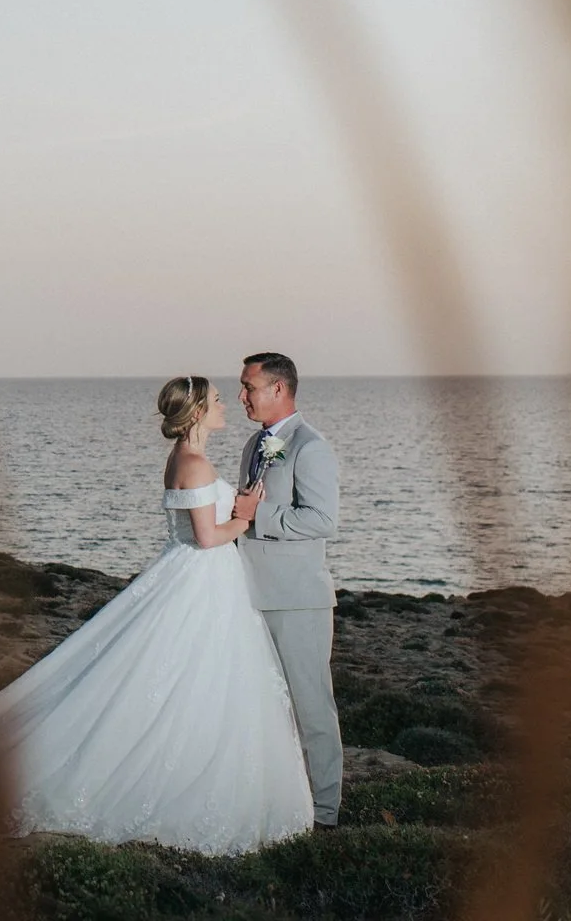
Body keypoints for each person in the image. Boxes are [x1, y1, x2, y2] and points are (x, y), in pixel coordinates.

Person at [0, 375, 312, 854]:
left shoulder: (187, 460)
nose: (225, 405)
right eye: (216, 400)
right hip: (201, 579)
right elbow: (209, 537)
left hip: (200, 580)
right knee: (185, 676)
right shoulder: (192, 463)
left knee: (192, 678)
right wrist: (248, 513)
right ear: (195, 413)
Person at [230, 350, 344, 829]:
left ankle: (325, 814)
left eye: (248, 387)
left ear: (278, 389)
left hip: (297, 601)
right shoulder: (260, 444)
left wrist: (259, 516)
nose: (241, 396)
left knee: (311, 707)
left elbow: (323, 520)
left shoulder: (310, 446)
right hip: (251, 597)